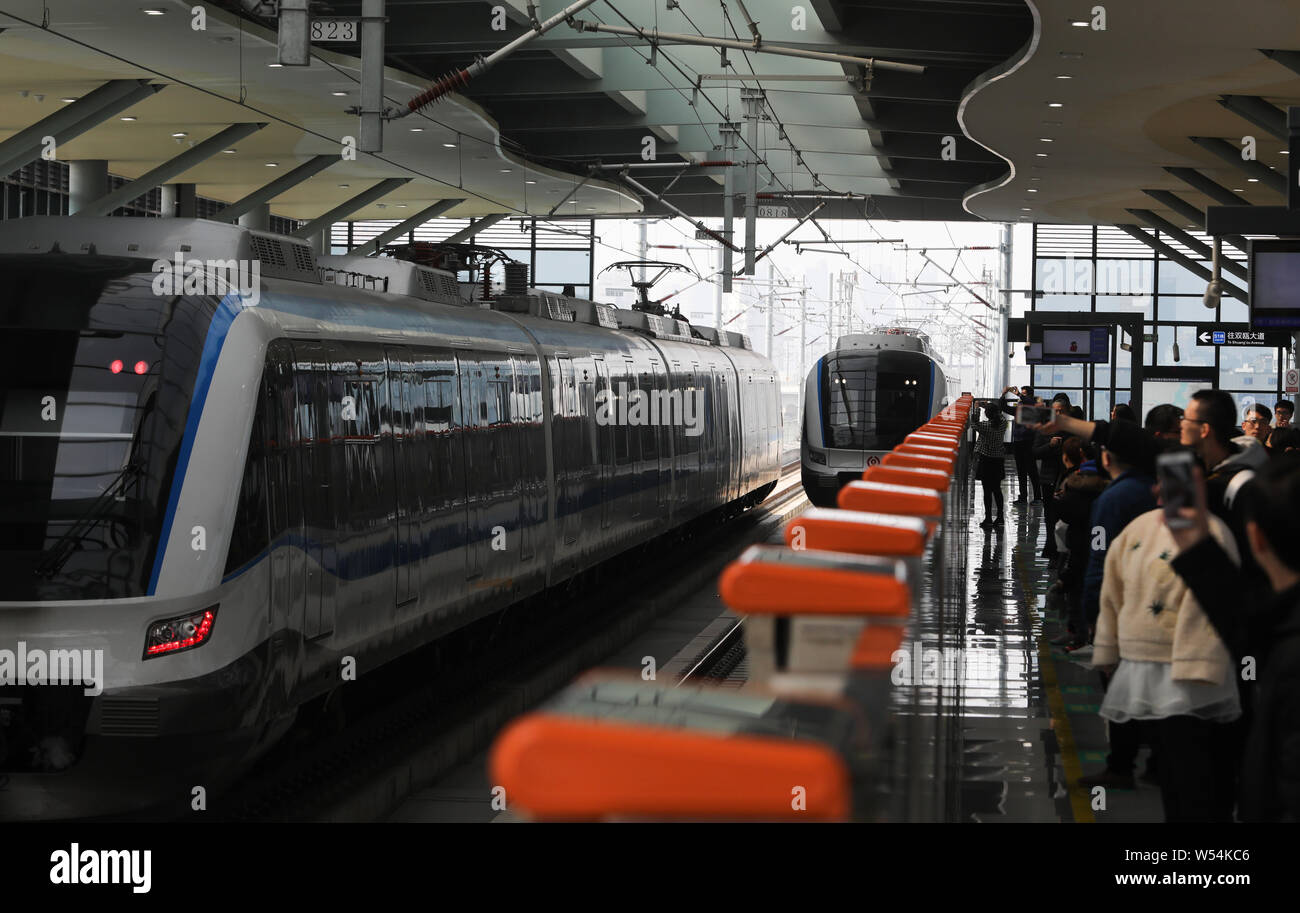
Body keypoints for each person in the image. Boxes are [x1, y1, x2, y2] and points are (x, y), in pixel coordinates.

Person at [1166, 455, 1300, 820]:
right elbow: (1240, 613)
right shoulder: (1278, 626)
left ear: (1255, 537)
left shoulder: (1288, 657)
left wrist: (1175, 468)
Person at [1093, 502, 1242, 822]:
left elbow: (1108, 586)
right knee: (1185, 768)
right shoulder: (1206, 529)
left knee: (1190, 770)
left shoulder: (1203, 531)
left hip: (1175, 669)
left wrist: (1108, 648)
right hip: (1183, 670)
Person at [1182, 389, 1268, 565]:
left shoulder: (1242, 486)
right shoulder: (1204, 472)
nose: (1181, 424)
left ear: (1205, 429)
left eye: (1186, 419)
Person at [1052, 437, 1108, 649]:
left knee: (1076, 584)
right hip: (1095, 539)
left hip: (1080, 541)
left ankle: (1080, 633)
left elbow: (1068, 511)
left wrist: (1059, 501)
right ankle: (1085, 632)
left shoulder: (1078, 481)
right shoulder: (1101, 479)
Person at [1034, 394, 1071, 557]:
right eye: (1055, 411)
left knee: (1065, 517)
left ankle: (1064, 550)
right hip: (1048, 479)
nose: (1057, 415)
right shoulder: (1045, 429)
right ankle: (1051, 549)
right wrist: (1050, 445)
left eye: (1061, 411)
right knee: (1049, 517)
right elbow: (1035, 452)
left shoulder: (1073, 430)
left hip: (1068, 480)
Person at [972, 399, 1009, 530]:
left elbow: (973, 424)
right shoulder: (1003, 424)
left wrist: (977, 408)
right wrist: (988, 407)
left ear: (987, 415)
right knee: (997, 489)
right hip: (998, 461)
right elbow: (999, 415)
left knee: (987, 491)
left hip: (986, 461)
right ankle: (1000, 517)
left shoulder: (985, 427)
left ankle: (988, 518)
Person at [1002, 385, 1043, 504]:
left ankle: (1037, 497)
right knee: (1021, 471)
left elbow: (1029, 402)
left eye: (1023, 394)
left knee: (1032, 470)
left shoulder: (1032, 406)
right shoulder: (1019, 408)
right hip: (1018, 442)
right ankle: (1023, 497)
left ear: (1029, 395)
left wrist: (1019, 395)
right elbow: (1004, 407)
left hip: (1028, 441)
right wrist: (1003, 394)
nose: (1020, 396)